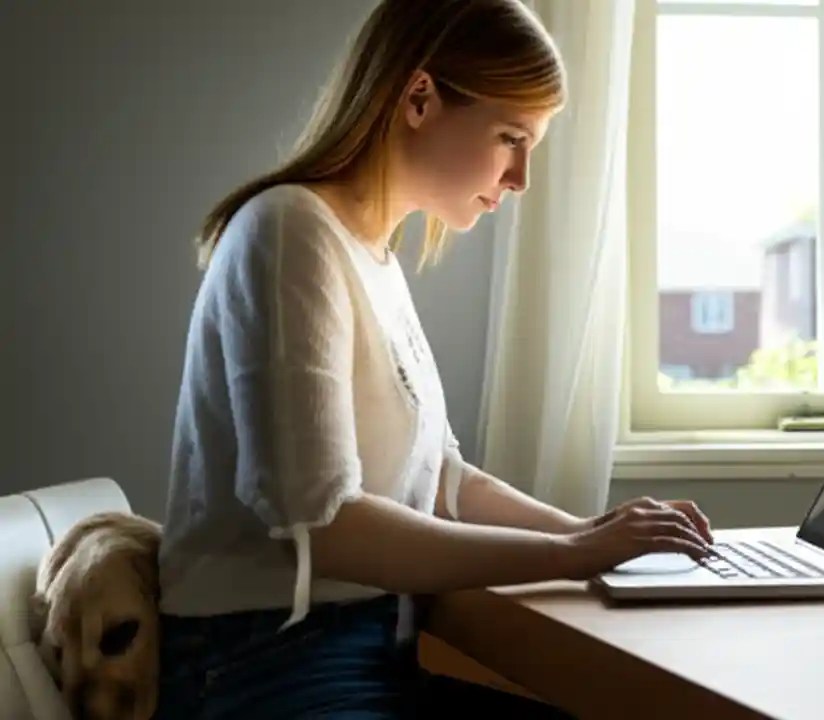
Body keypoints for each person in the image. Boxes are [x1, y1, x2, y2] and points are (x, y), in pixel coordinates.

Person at [154, 1, 714, 717]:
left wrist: (586, 531)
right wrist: (570, 558)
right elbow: (326, 526)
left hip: (371, 642)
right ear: (419, 98)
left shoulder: (372, 257)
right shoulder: (290, 231)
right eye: (512, 137)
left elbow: (443, 479)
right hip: (262, 660)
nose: (520, 179)